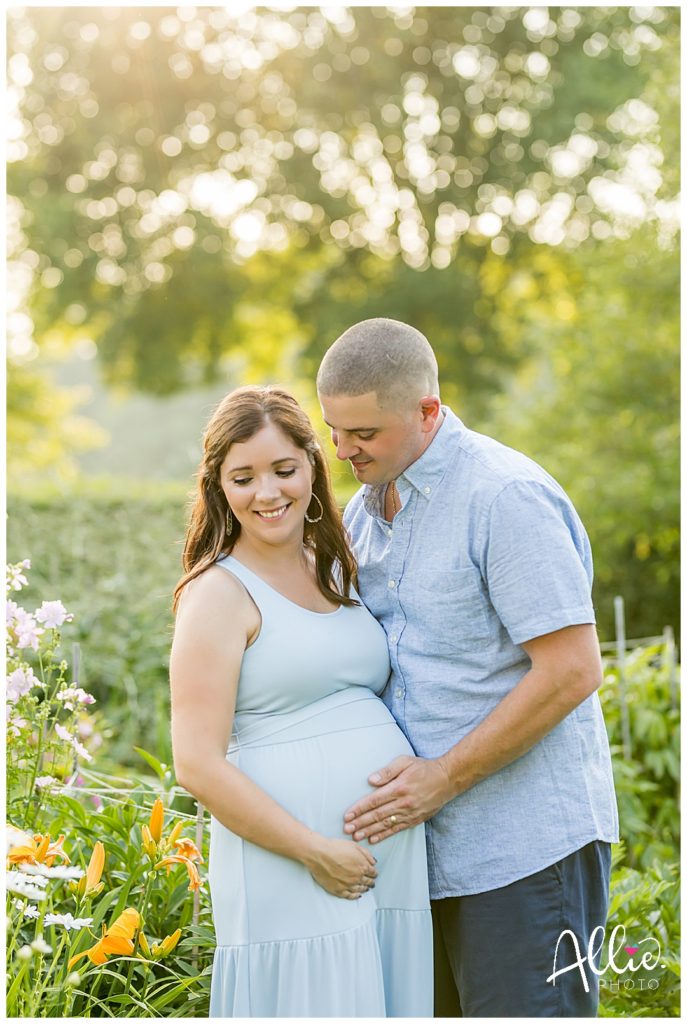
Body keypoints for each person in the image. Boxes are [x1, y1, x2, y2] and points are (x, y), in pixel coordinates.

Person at [317, 318, 619, 1018]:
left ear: (427, 412)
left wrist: (442, 777)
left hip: (523, 852)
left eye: (362, 434)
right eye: (333, 429)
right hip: (424, 860)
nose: (342, 451)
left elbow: (572, 670)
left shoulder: (502, 497)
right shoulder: (364, 512)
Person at [169, 385, 432, 1018]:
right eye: (244, 477)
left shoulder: (337, 565)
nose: (268, 493)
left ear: (313, 467)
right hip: (294, 862)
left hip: (385, 864)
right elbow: (197, 765)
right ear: (218, 488)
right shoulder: (217, 595)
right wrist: (315, 851)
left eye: (285, 470)